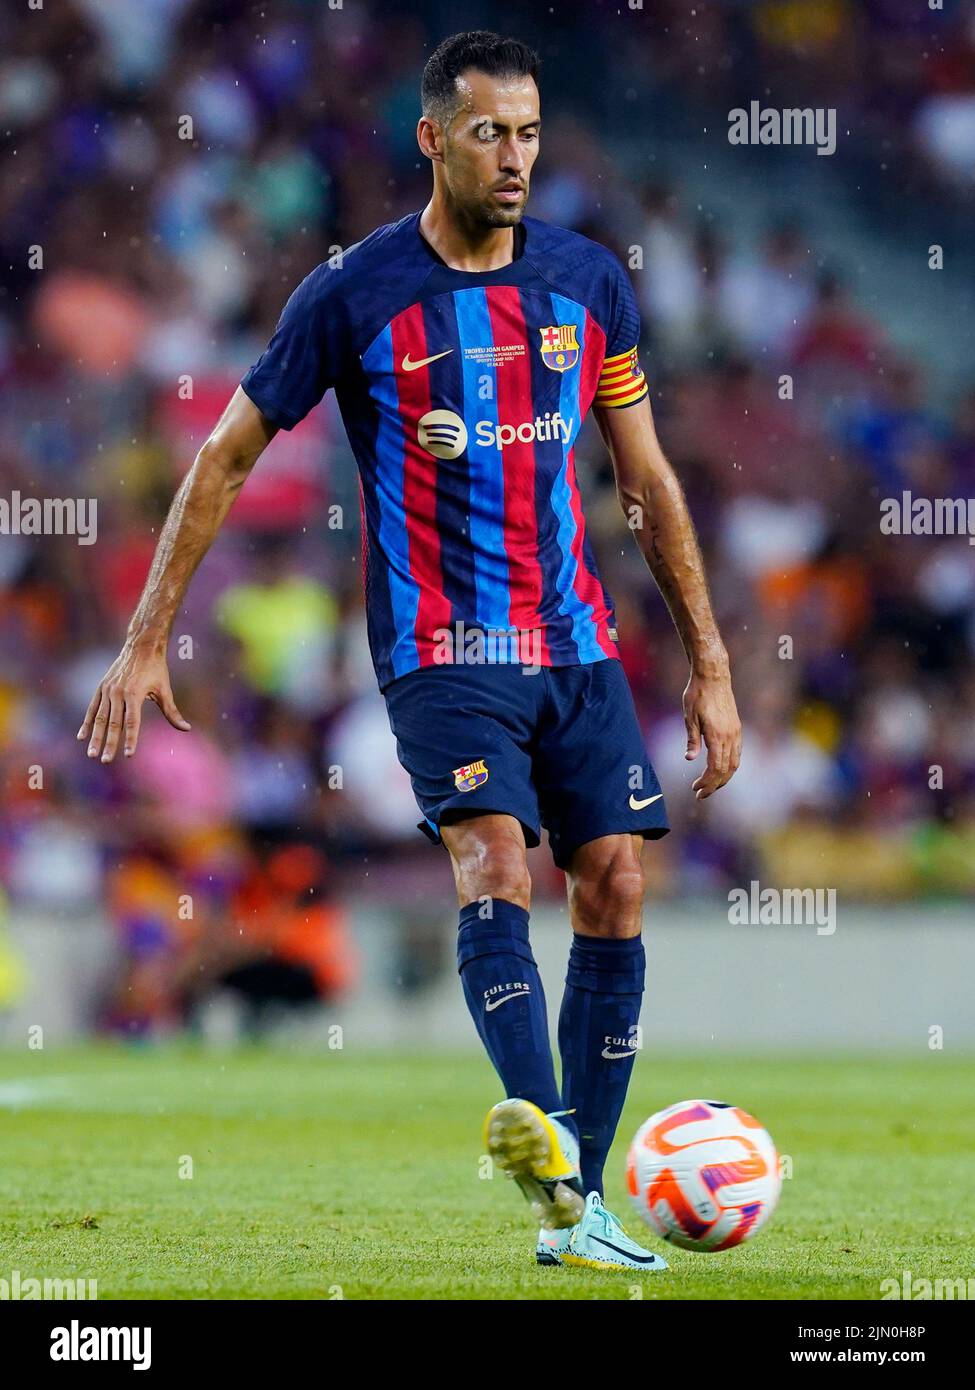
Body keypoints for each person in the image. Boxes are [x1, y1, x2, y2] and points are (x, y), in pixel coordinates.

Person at [78, 30, 742, 1273]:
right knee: (496, 858)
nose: (516, 157)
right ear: (432, 137)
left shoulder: (589, 280)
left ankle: (577, 1203)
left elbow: (642, 476)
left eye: (532, 131)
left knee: (616, 881)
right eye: (489, 131)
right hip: (442, 648)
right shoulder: (354, 294)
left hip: (577, 641)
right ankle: (544, 1139)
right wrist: (146, 638)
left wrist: (707, 660)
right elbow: (226, 455)